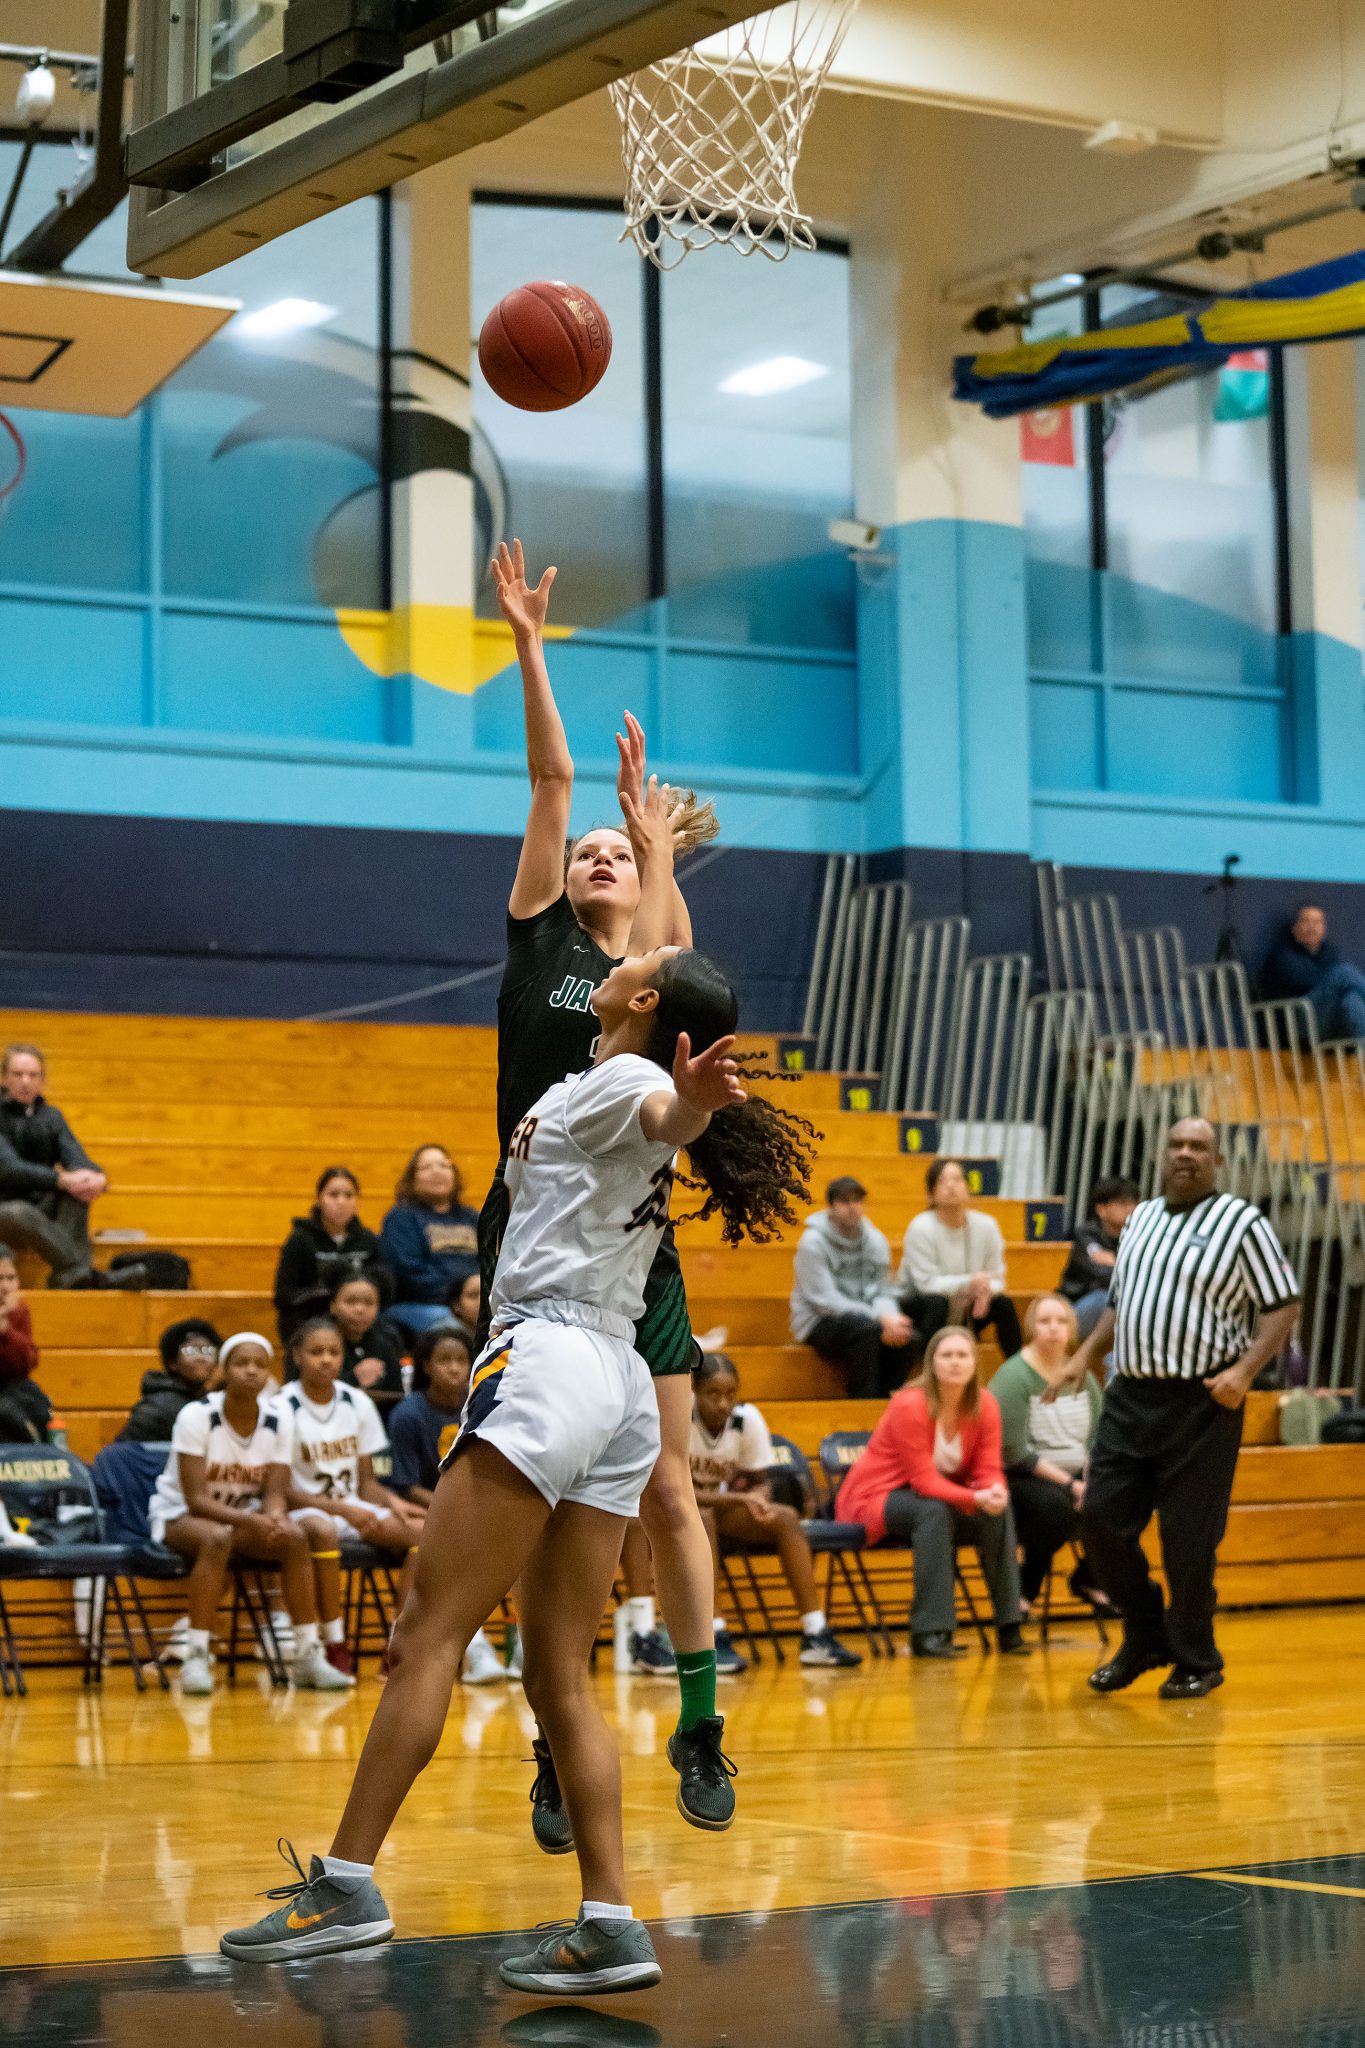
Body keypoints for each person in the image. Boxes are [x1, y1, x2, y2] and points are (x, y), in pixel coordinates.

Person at [218, 938, 815, 1995]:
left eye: (647, 953)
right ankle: (610, 1918)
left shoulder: (626, 1077)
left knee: (423, 1634)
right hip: (618, 1379)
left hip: (550, 1357)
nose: (633, 946)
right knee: (556, 1674)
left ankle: (349, 1882)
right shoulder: (605, 1069)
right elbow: (659, 1104)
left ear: (641, 999)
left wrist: (691, 1102)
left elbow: (660, 1111)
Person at [470, 538, 732, 1839]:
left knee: (669, 1492)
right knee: (541, 1507)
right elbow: (550, 774)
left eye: (611, 856)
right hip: (530, 1249)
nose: (594, 860)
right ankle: (547, 1729)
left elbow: (679, 955)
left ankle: (701, 1721)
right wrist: (526, 638)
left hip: (636, 1256)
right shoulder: (540, 944)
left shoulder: (652, 973)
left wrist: (657, 836)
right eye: (583, 854)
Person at [1063, 1117, 1301, 1699]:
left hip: (1201, 1402)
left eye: (1199, 1146)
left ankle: (1197, 1657)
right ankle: (1145, 1635)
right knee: (1100, 1519)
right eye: (1177, 1145)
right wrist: (1083, 1357)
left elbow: (1283, 1304)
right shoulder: (1139, 1218)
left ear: (1218, 1160)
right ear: (1162, 1155)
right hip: (1130, 1395)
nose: (1186, 1154)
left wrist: (1244, 1372)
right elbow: (1121, 1303)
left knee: (1187, 1541)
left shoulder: (1242, 1223)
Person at [148, 1331, 354, 1698]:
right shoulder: (197, 1416)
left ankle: (308, 1652)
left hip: (243, 1517)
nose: (251, 1371)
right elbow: (195, 1500)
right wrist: (255, 1521)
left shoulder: (278, 1419)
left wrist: (274, 1516)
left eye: (260, 1364)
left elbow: (275, 1490)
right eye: (241, 1363)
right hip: (180, 1516)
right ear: (224, 1370)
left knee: (293, 1535)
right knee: (217, 1537)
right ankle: (196, 1652)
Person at [834, 1327, 1028, 1660]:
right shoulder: (909, 1404)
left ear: (974, 1364)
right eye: (947, 1355)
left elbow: (987, 1467)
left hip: (935, 1500)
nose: (955, 1363)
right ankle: (929, 1633)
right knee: (934, 1510)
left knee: (997, 1510)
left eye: (963, 1355)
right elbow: (924, 1482)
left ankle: (1010, 1625)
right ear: (932, 1364)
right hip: (876, 1498)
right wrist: (975, 1498)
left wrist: (993, 1491)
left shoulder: (985, 1405)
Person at [689, 1353, 860, 1670]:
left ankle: (815, 1632)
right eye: (713, 1394)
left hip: (719, 1511)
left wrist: (760, 1498)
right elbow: (676, 1491)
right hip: (673, 1516)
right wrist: (741, 1500)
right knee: (702, 1515)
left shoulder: (746, 1419)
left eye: (730, 1394)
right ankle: (713, 1634)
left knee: (785, 1518)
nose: (724, 1404)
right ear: (694, 1391)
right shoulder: (678, 1416)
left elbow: (761, 1480)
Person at [272, 1317, 424, 1608]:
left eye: (334, 1352)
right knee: (323, 1528)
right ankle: (331, 1637)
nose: (326, 1360)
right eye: (316, 1353)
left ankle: (400, 1640)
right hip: (303, 1513)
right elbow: (280, 1493)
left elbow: (366, 1483)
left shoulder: (357, 1402)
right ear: (297, 1356)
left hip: (351, 1508)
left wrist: (392, 1502)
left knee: (428, 1533)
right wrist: (344, 1510)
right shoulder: (279, 1407)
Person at [387, 1321, 509, 1685]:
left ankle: (516, 1647)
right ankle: (473, 1645)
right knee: (448, 1545)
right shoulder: (408, 1415)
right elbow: (406, 1485)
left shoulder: (479, 1405)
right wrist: (451, 1508)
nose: (454, 1368)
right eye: (444, 1360)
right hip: (428, 1508)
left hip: (473, 1505)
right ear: (426, 1365)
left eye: (461, 1360)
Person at [991, 1294, 1105, 1615]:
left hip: (1078, 1473)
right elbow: (1014, 1452)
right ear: (1031, 1328)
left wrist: (1091, 1482)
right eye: (1045, 1321)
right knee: (1057, 1506)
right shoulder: (1013, 1377)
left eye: (1061, 1321)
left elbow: (1099, 1440)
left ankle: (1090, 1576)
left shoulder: (1082, 1376)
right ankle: (1029, 1585)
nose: (1053, 1329)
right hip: (1024, 1477)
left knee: (1124, 1496)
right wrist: (1072, 1486)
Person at [0, 1043, 140, 1290]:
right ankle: (86, 1274)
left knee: (78, 1191)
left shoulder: (51, 1116)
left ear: (42, 1080)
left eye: (32, 1075)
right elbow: (9, 1169)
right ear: (3, 1078)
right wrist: (61, 1179)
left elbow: (76, 1158)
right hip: (6, 1211)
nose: (25, 1081)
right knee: (20, 1211)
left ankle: (68, 1275)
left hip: (39, 1213)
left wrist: (96, 1178)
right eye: (18, 1074)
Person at [790, 1175, 915, 1398]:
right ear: (831, 1207)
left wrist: (890, 1317)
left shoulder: (876, 1240)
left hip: (867, 1318)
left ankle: (884, 1398)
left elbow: (883, 1289)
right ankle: (862, 1401)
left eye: (857, 1201)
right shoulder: (812, 1242)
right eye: (845, 1201)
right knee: (867, 1331)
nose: (853, 1207)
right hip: (817, 1320)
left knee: (909, 1337)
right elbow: (824, 1300)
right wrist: (879, 1318)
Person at [899, 1158, 1022, 1357]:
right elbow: (925, 1284)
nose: (951, 1185)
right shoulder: (920, 1227)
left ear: (967, 1188)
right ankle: (927, 1370)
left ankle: (1018, 1370)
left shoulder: (987, 1225)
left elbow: (998, 1278)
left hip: (969, 1305)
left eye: (957, 1179)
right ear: (930, 1195)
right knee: (938, 1303)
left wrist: (986, 1289)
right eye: (942, 1181)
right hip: (923, 1307)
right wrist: (970, 1283)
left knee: (1003, 1304)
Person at [273, 1167, 390, 1343]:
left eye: (349, 1196)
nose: (341, 1202)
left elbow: (383, 1286)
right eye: (333, 1195)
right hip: (311, 1317)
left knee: (388, 1333)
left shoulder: (368, 1240)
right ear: (319, 1200)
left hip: (358, 1319)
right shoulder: (300, 1239)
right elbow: (283, 1296)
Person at [381, 1147, 479, 1340]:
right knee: (452, 1330)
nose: (437, 1171)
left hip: (474, 1300)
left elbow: (491, 1260)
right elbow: (407, 1271)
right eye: (427, 1167)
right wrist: (457, 1298)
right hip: (423, 1305)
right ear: (412, 1179)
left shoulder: (471, 1217)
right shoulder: (401, 1217)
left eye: (444, 1165)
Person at [1262, 903, 1365, 1041]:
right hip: (1298, 1023)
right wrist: (1334, 978)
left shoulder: (1329, 955)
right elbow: (1310, 980)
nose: (1312, 928)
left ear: (1324, 928)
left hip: (1328, 1023)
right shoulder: (1282, 956)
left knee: (1352, 999)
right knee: (1344, 974)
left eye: (1317, 922)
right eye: (1306, 921)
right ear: (1294, 928)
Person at [1059, 1177, 1140, 1340]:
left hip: (1114, 1309)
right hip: (1078, 1306)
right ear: (1101, 1209)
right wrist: (1128, 1266)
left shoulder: (1139, 1236)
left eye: (1135, 1202)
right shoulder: (1086, 1234)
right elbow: (1104, 1276)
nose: (1132, 1208)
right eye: (1124, 1203)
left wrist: (1115, 1260)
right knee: (1107, 1298)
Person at [118, 1318, 224, 1443]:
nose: (201, 1358)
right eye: (191, 1351)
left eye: (208, 1351)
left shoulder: (214, 1399)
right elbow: (124, 1452)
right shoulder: (157, 1408)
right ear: (173, 1362)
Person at [327, 1274, 406, 1408]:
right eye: (351, 1302)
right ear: (333, 1306)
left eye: (369, 1303)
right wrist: (354, 1377)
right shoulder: (319, 1342)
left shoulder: (386, 1342)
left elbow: (396, 1395)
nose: (360, 1309)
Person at [0, 1243, 51, 1445]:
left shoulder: (19, 1312)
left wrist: (6, 1331)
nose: (5, 1287)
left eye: (11, 1278)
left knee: (36, 1404)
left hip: (12, 1390)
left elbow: (27, 1362)